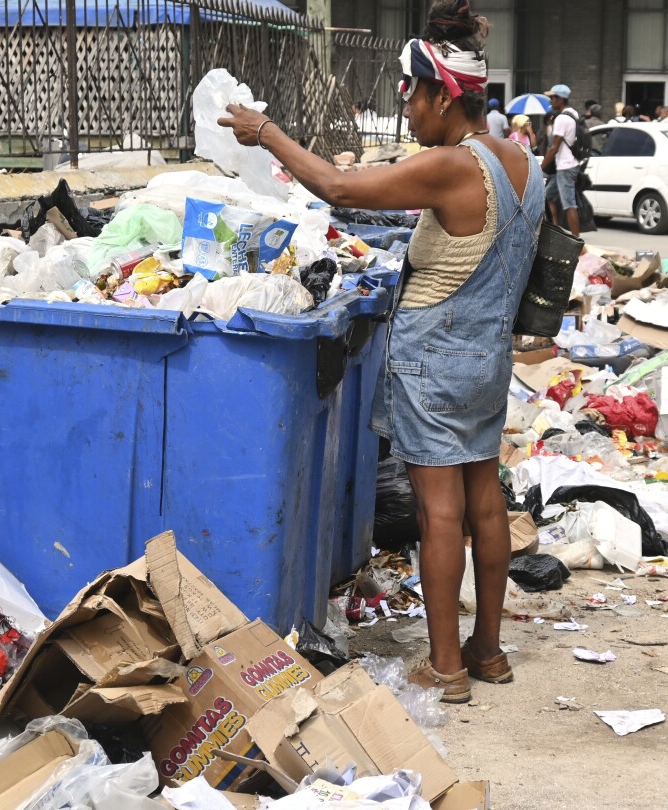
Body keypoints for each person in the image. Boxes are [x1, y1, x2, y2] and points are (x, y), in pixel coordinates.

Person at [220, 0, 543, 704]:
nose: (406, 111)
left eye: (412, 97)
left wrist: (264, 131)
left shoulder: (452, 167)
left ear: (442, 95)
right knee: (485, 499)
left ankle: (446, 668)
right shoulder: (522, 162)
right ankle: (489, 654)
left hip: (437, 359)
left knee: (439, 513)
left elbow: (336, 187)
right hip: (488, 357)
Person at [545, 83, 582, 238]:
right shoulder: (573, 113)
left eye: (553, 98)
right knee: (547, 195)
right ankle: (555, 228)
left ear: (560, 99)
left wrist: (541, 166)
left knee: (569, 204)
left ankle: (576, 241)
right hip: (570, 163)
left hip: (565, 166)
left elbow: (554, 147)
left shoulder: (562, 118)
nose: (550, 101)